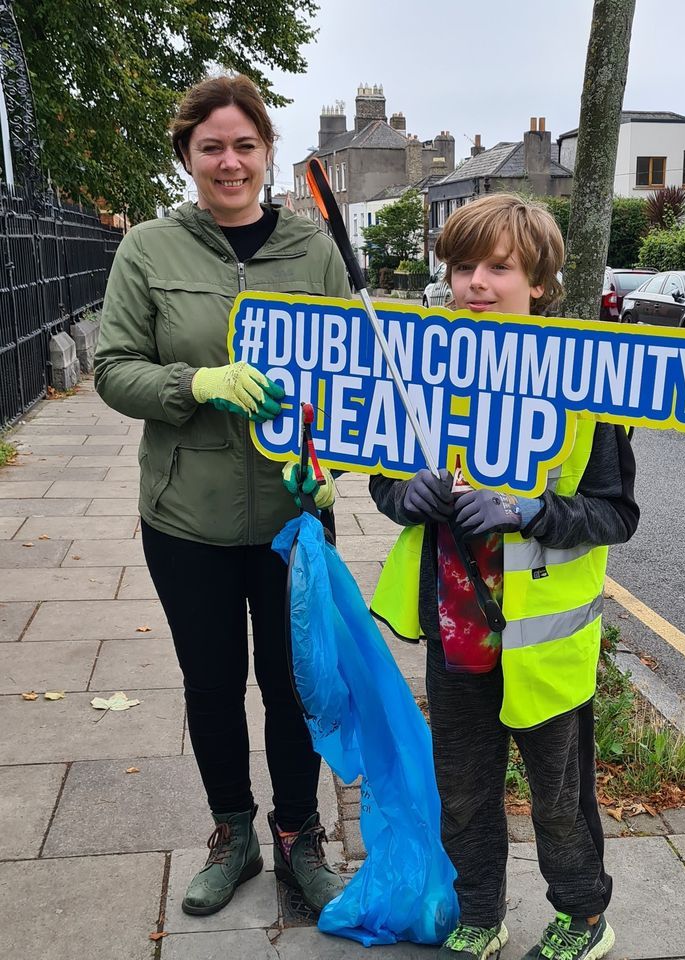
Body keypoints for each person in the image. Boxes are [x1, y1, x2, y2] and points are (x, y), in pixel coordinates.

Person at [94, 74, 350, 918]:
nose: (230, 161)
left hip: (292, 520)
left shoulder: (313, 251)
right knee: (210, 684)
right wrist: (196, 380)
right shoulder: (149, 251)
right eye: (212, 147)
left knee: (293, 686)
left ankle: (298, 837)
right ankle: (232, 834)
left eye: (245, 145)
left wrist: (331, 467)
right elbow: (111, 369)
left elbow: (353, 384)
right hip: (185, 518)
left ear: (267, 151)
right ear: (188, 157)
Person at [369, 194, 639, 960]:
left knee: (558, 799)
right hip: (455, 638)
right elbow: (386, 484)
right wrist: (403, 496)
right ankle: (479, 913)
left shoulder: (586, 388)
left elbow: (615, 514)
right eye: (462, 265)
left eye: (499, 266)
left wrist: (528, 510)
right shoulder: (422, 376)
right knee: (462, 794)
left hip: (544, 649)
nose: (476, 282)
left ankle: (585, 917)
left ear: (540, 282)